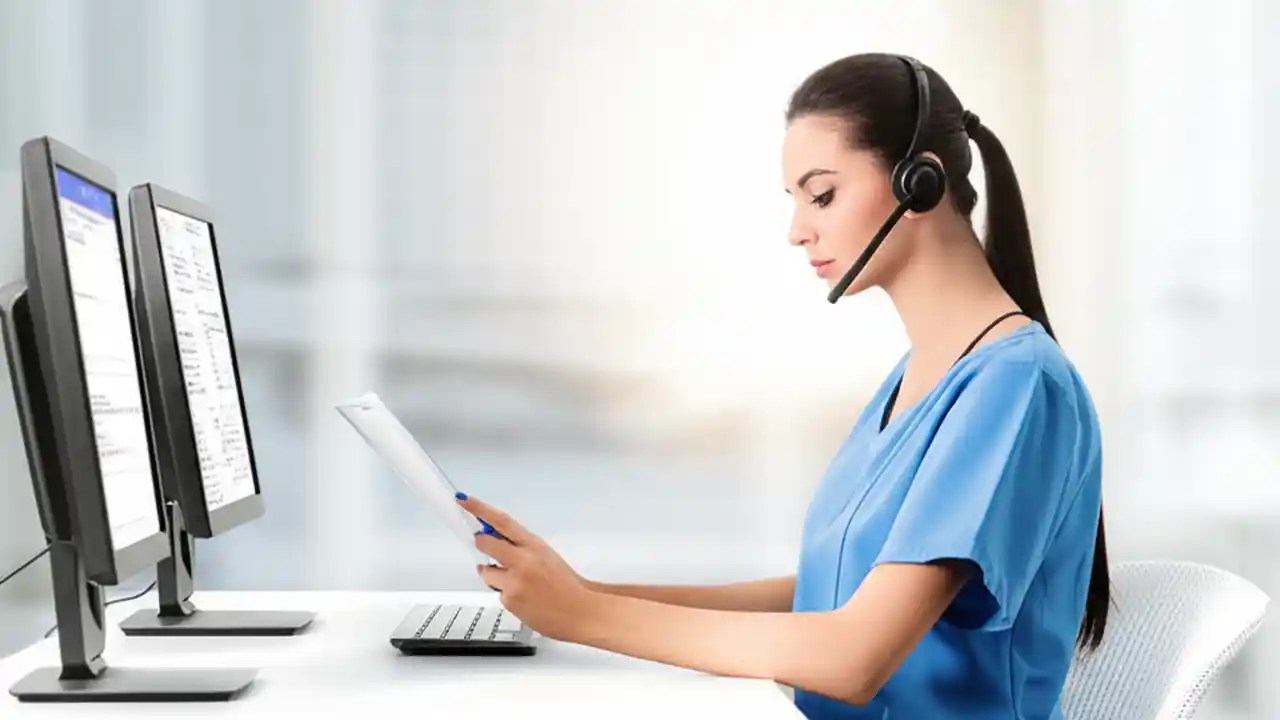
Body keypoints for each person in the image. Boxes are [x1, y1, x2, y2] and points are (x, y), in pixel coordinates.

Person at [454, 52, 1108, 719]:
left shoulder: (1016, 387)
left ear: (920, 183)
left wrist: (588, 616)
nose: (798, 231)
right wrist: (584, 595)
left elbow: (853, 657)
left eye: (822, 195)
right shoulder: (917, 379)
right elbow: (828, 596)